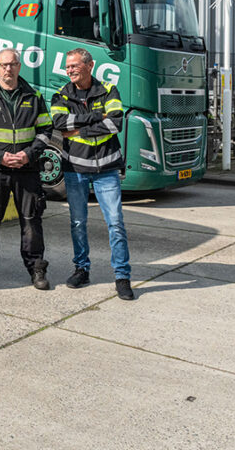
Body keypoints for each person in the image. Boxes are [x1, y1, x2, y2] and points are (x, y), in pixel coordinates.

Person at [51, 48, 134, 301]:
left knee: (116, 224)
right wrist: (98, 116)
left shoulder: (109, 90)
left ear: (89, 66)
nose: (70, 70)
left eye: (74, 65)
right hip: (75, 170)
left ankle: (122, 277)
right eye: (67, 67)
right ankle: (81, 269)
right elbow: (59, 124)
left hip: (106, 170)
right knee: (78, 223)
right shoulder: (60, 94)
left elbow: (116, 123)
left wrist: (79, 131)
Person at [0, 48, 53, 290]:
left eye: (13, 64)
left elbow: (46, 131)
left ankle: (37, 269)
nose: (8, 69)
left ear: (19, 66)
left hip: (28, 170)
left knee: (31, 221)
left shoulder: (34, 95)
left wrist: (28, 155)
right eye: (4, 64)